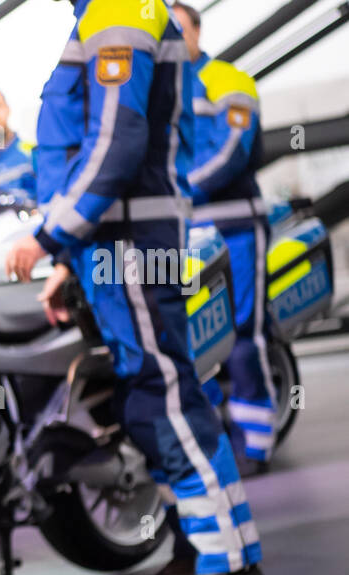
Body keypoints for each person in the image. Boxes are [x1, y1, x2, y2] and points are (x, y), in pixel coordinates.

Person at [8, 0, 270, 575]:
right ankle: (197, 548)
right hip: (113, 243)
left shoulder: (119, 10)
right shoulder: (109, 12)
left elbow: (115, 144)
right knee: (150, 397)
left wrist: (50, 235)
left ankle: (231, 565)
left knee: (164, 395)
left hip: (129, 243)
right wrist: (71, 256)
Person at [177, 2, 276, 474]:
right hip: (183, 233)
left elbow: (233, 151)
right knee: (198, 339)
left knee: (240, 334)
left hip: (234, 225)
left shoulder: (227, 78)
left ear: (197, 29)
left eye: (179, 29)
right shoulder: (162, 86)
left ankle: (257, 441)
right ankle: (216, 441)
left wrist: (178, 189)